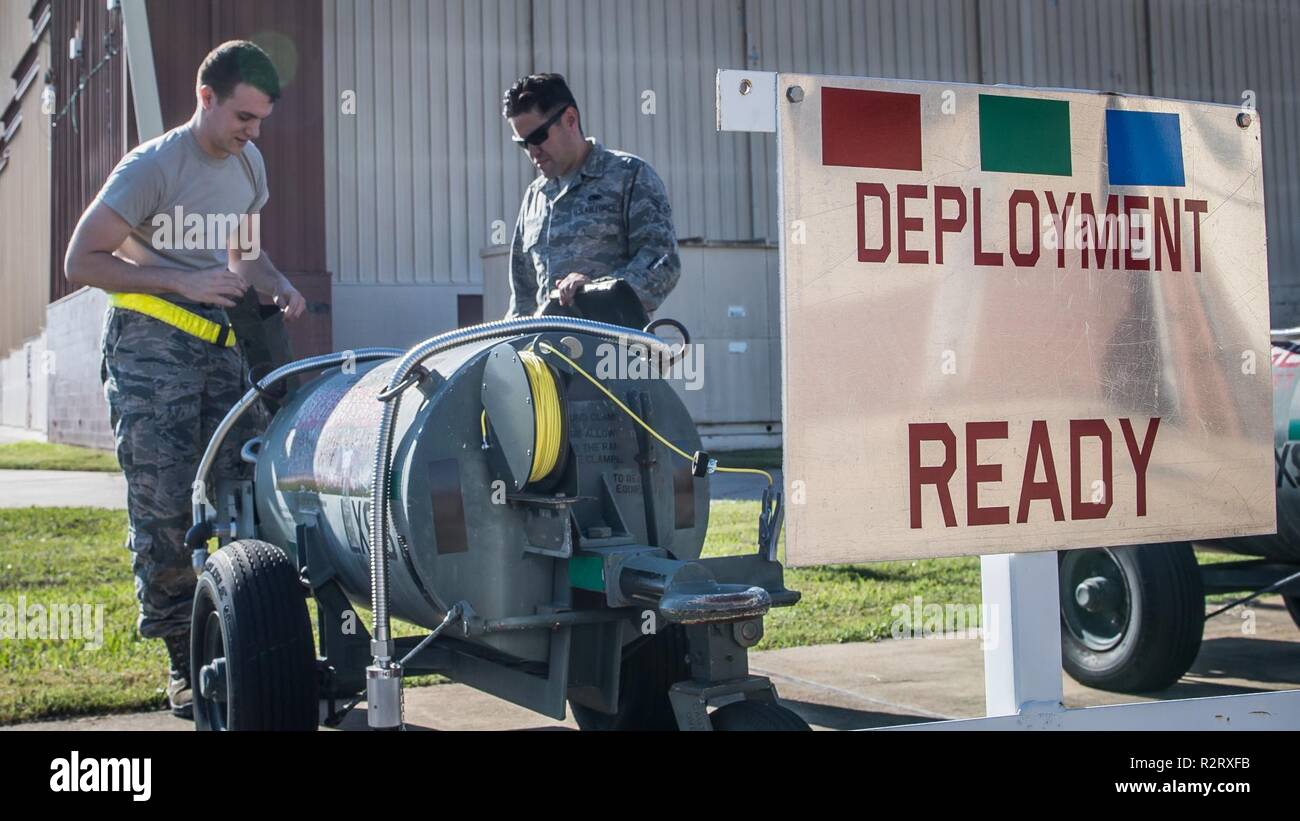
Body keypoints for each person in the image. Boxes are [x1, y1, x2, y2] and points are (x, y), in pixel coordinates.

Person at [63, 40, 305, 718]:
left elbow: (246, 253)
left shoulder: (246, 162)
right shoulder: (153, 166)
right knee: (166, 513)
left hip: (224, 354)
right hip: (150, 358)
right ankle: (182, 657)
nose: (252, 134)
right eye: (243, 118)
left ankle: (251, 640)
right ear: (206, 98)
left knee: (250, 498)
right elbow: (80, 259)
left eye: (260, 120)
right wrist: (180, 276)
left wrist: (280, 285)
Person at [502, 73, 680, 319]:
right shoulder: (536, 197)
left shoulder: (629, 176)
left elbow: (663, 263)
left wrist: (597, 291)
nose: (533, 152)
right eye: (524, 144)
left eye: (538, 137)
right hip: (548, 352)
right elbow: (523, 297)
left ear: (570, 119)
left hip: (614, 351)